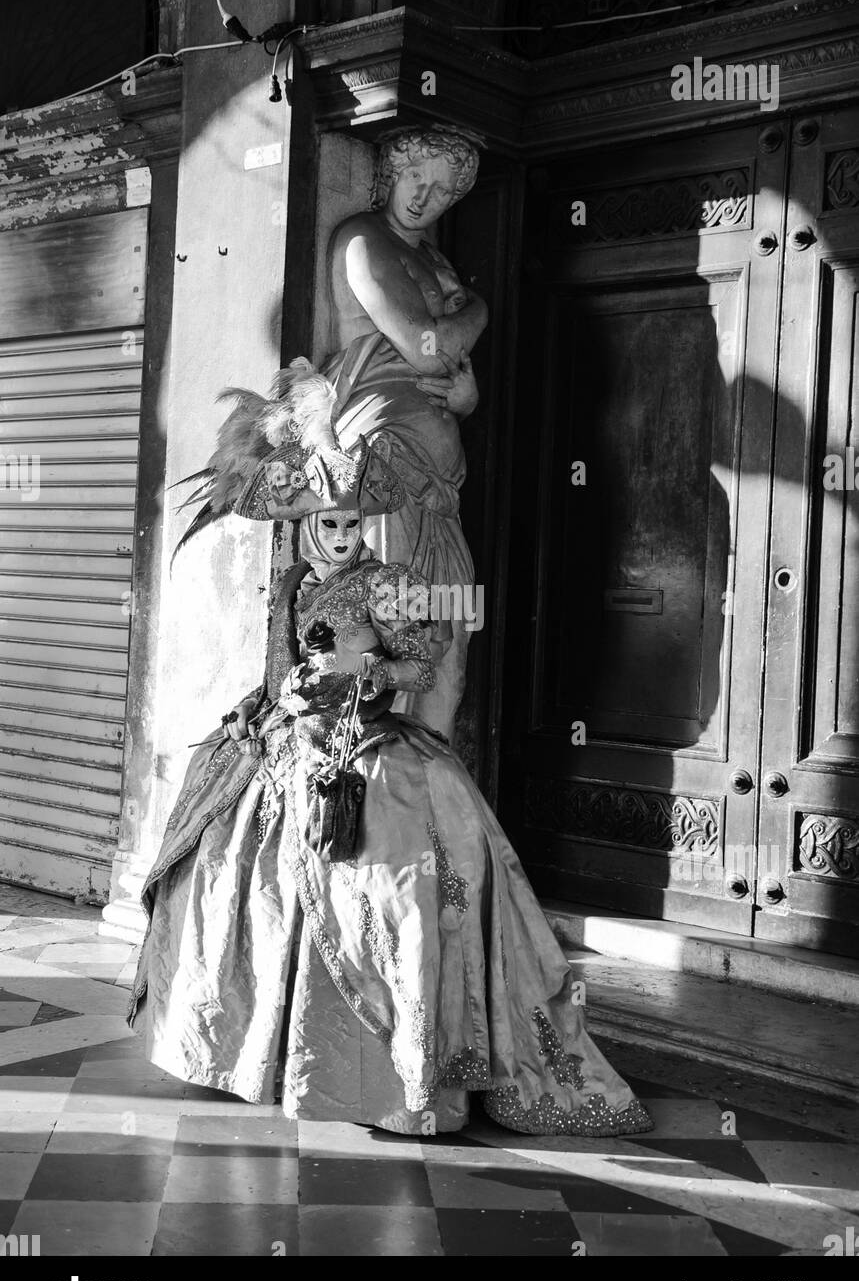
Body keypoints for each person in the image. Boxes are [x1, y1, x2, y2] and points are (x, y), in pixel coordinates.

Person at [129, 365, 653, 1139]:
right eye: (326, 527)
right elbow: (279, 669)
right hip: (282, 749)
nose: (340, 539)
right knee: (220, 868)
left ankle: (394, 1077)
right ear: (305, 528)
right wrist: (263, 701)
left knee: (392, 893)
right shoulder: (292, 583)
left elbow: (421, 667)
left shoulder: (393, 585)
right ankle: (255, 1055)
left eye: (349, 526)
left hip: (366, 753)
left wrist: (356, 668)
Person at [325, 124, 488, 743]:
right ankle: (376, 814)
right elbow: (429, 350)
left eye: (443, 191)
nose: (425, 197)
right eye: (417, 178)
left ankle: (432, 812)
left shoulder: (436, 262)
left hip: (440, 493)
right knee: (392, 646)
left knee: (452, 647)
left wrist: (468, 405)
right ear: (393, 172)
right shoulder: (363, 240)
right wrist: (479, 309)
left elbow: (448, 370)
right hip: (388, 479)